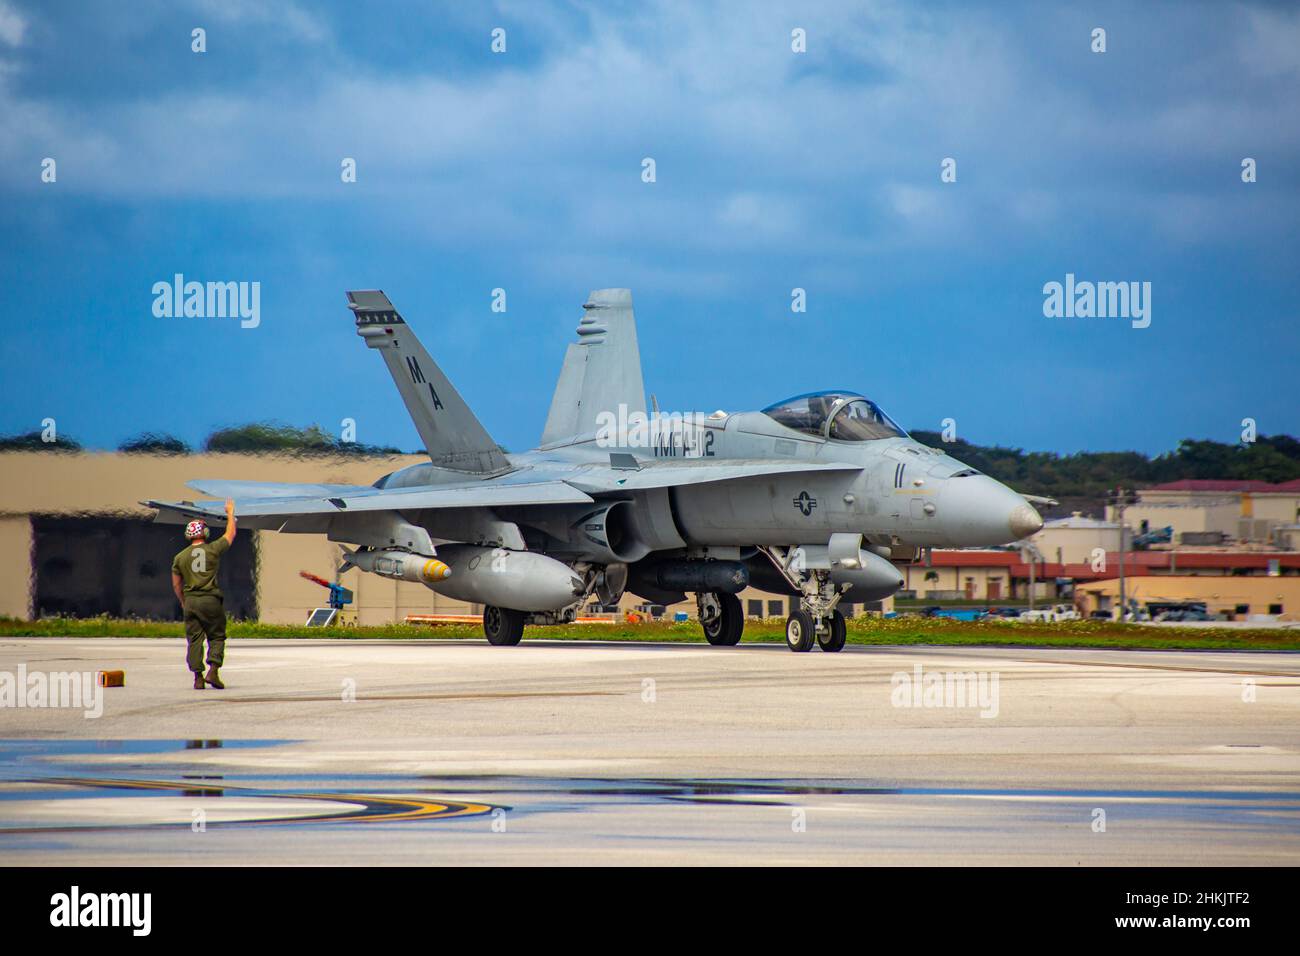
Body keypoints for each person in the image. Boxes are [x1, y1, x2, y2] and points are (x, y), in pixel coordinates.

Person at [171, 499, 236, 690]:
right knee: (216, 636)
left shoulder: (179, 557)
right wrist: (230, 513)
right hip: (210, 600)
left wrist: (183, 600)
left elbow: (176, 583)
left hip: (190, 601)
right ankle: (213, 671)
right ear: (205, 533)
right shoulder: (212, 549)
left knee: (194, 639)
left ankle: (197, 678)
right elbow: (230, 534)